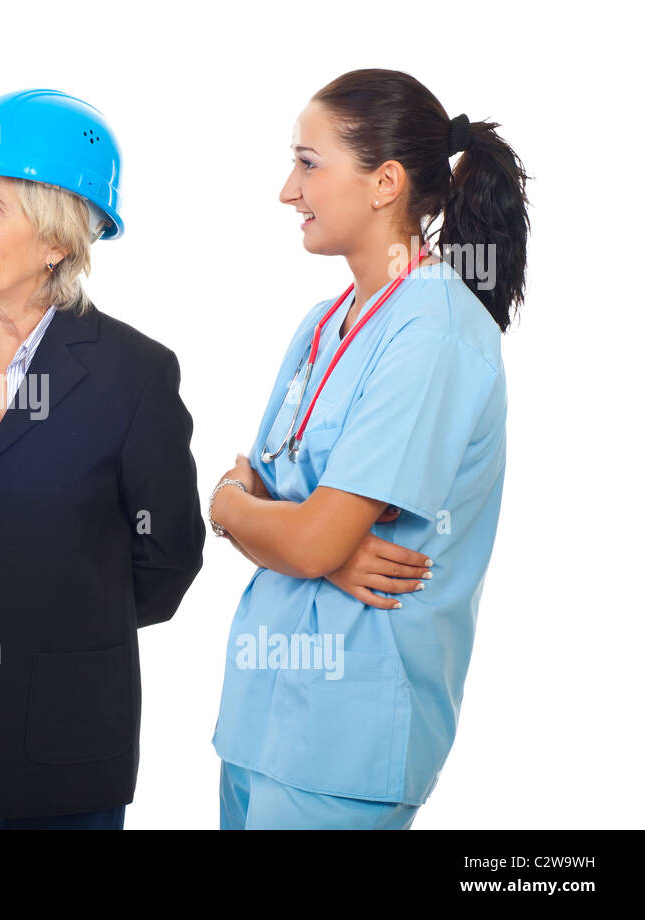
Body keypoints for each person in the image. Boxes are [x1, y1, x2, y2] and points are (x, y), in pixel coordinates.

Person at [0, 89, 205, 829]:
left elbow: (170, 557)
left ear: (56, 238)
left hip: (66, 736)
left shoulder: (135, 372)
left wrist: (56, 620)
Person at [207, 68, 530, 829]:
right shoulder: (322, 324)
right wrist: (257, 515)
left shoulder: (435, 332)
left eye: (309, 164)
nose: (290, 190)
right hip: (260, 721)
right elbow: (267, 504)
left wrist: (243, 512)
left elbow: (287, 519)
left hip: (346, 740)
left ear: (385, 182)